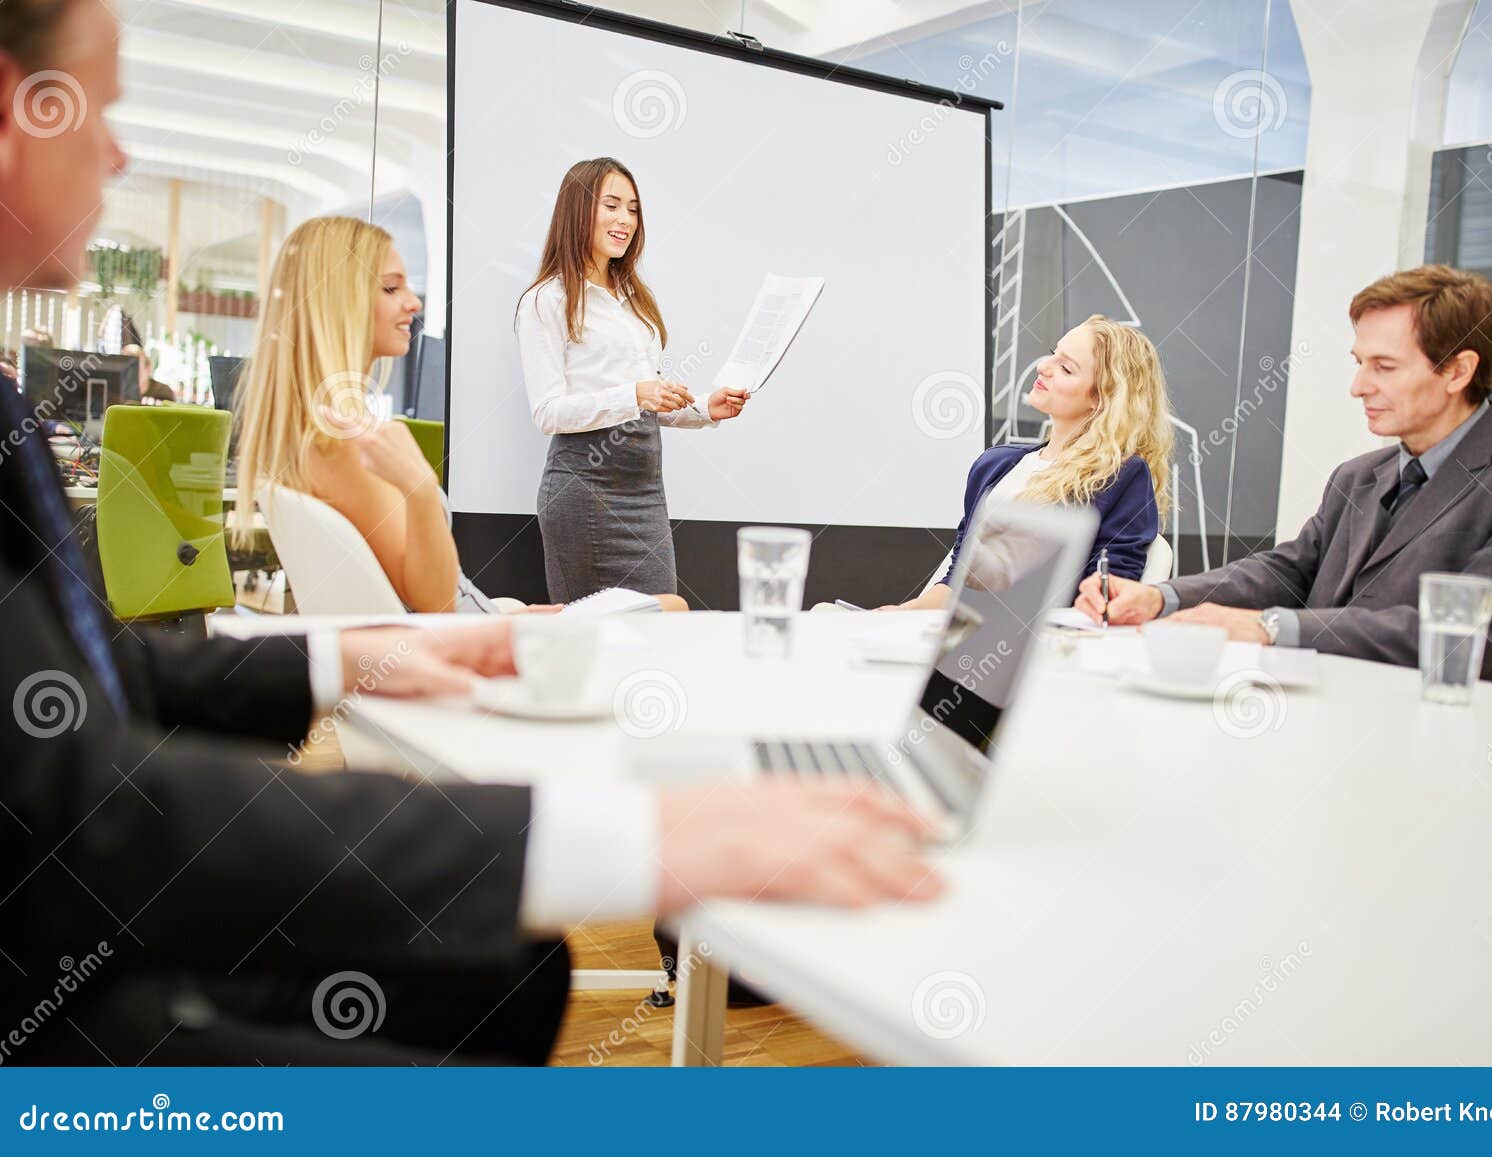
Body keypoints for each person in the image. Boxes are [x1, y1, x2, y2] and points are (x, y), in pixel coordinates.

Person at [0, 0, 941, 1065]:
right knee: (644, 665)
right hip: (64, 992)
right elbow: (82, 801)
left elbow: (108, 670)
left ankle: (692, 934)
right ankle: (696, 922)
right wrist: (611, 838)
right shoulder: (514, 328)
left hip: (637, 478)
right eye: (102, 109)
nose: (118, 152)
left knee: (514, 968)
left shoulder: (619, 310)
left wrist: (345, 655)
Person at [1077, 264, 1492, 687]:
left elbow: (1465, 636)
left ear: (1457, 371)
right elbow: (1290, 569)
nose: (1358, 386)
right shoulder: (1359, 476)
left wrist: (1268, 627)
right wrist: (1161, 597)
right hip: (1321, 708)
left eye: (1384, 367)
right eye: (1359, 362)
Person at [232, 215, 685, 614]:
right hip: (464, 641)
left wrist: (503, 615)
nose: (413, 302)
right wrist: (419, 488)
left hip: (475, 623)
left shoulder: (316, 437)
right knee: (670, 607)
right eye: (390, 288)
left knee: (662, 605)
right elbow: (435, 602)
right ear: (336, 302)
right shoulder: (344, 446)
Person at [517, 157, 750, 603]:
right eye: (611, 206)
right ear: (577, 210)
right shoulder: (546, 300)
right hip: (584, 493)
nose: (625, 219)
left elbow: (647, 400)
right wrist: (635, 394)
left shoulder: (633, 299)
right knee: (594, 632)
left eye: (633, 209)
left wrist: (705, 407)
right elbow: (548, 413)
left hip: (644, 495)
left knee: (661, 621)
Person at [889, 314, 1171, 610]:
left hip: (1044, 636)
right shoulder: (992, 465)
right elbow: (957, 583)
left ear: (1101, 399)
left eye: (1066, 368)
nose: (1043, 366)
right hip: (966, 629)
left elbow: (1103, 595)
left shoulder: (1121, 476)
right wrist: (900, 613)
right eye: (1053, 354)